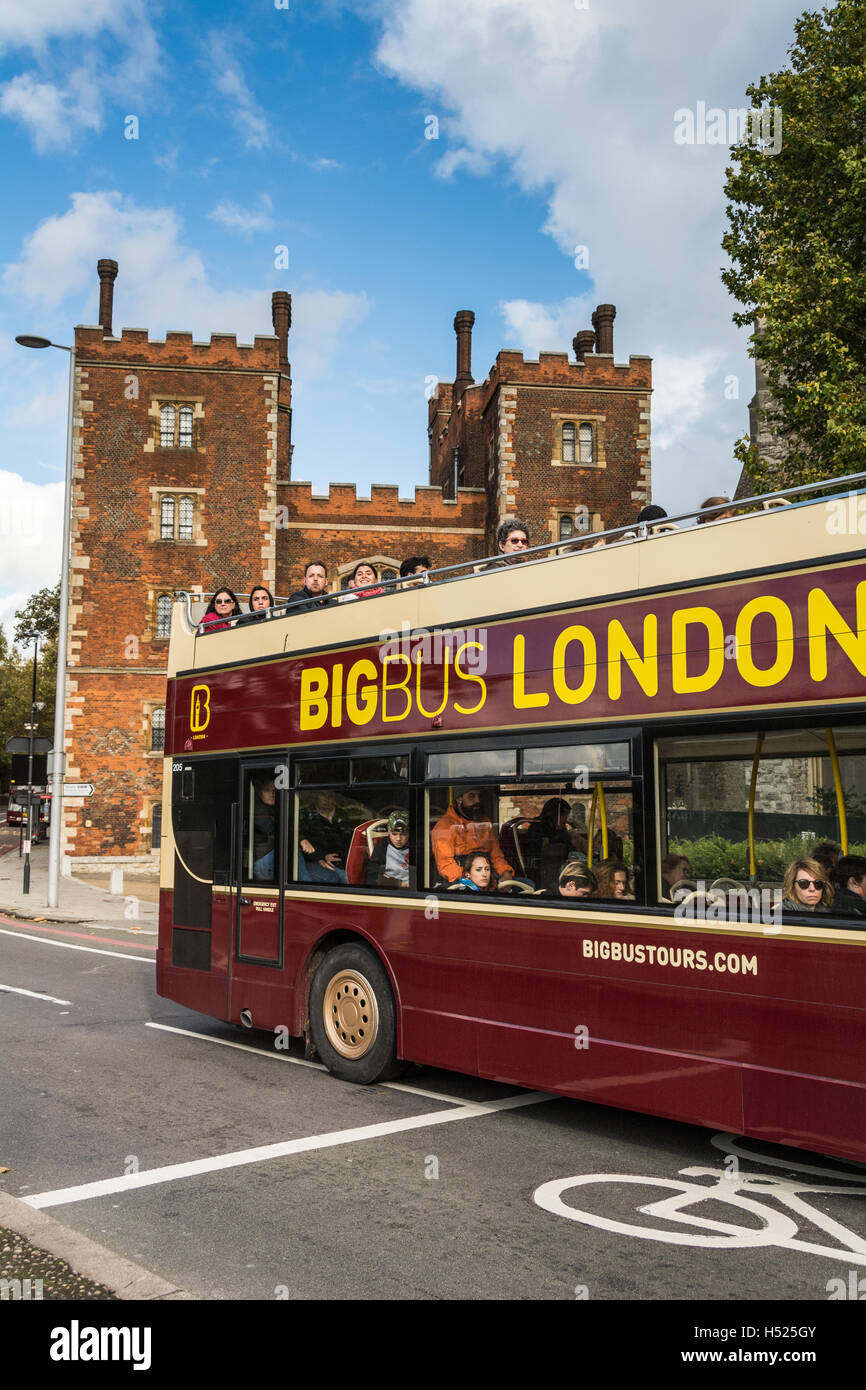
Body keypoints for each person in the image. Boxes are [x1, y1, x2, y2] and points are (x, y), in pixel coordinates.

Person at [431, 786, 515, 884]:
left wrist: (506, 872)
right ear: (459, 799)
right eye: (472, 796)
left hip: (487, 875)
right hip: (460, 879)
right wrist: (472, 877)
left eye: (479, 796)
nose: (477, 801)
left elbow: (496, 856)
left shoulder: (485, 822)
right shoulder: (445, 826)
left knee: (527, 884)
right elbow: (446, 866)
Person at [298, 790, 349, 884]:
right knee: (345, 878)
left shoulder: (342, 814)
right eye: (323, 794)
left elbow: (347, 840)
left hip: (344, 860)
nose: (327, 798)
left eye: (330, 795)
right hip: (317, 861)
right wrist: (320, 857)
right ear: (316, 796)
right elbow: (298, 841)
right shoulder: (305, 815)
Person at [524, 796, 574, 890]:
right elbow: (540, 850)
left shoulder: (560, 827)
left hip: (559, 864)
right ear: (555, 815)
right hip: (541, 869)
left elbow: (569, 846)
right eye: (564, 815)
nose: (565, 819)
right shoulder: (537, 827)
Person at [365, 810, 411, 888]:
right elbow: (373, 877)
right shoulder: (382, 848)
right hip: (390, 891)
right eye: (394, 834)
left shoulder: (416, 847)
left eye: (403, 834)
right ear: (389, 831)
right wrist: (399, 884)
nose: (398, 838)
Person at [252, 776, 277, 881]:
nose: (272, 794)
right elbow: (275, 831)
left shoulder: (272, 809)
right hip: (263, 862)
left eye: (274, 790)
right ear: (259, 793)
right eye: (267, 790)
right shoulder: (259, 811)